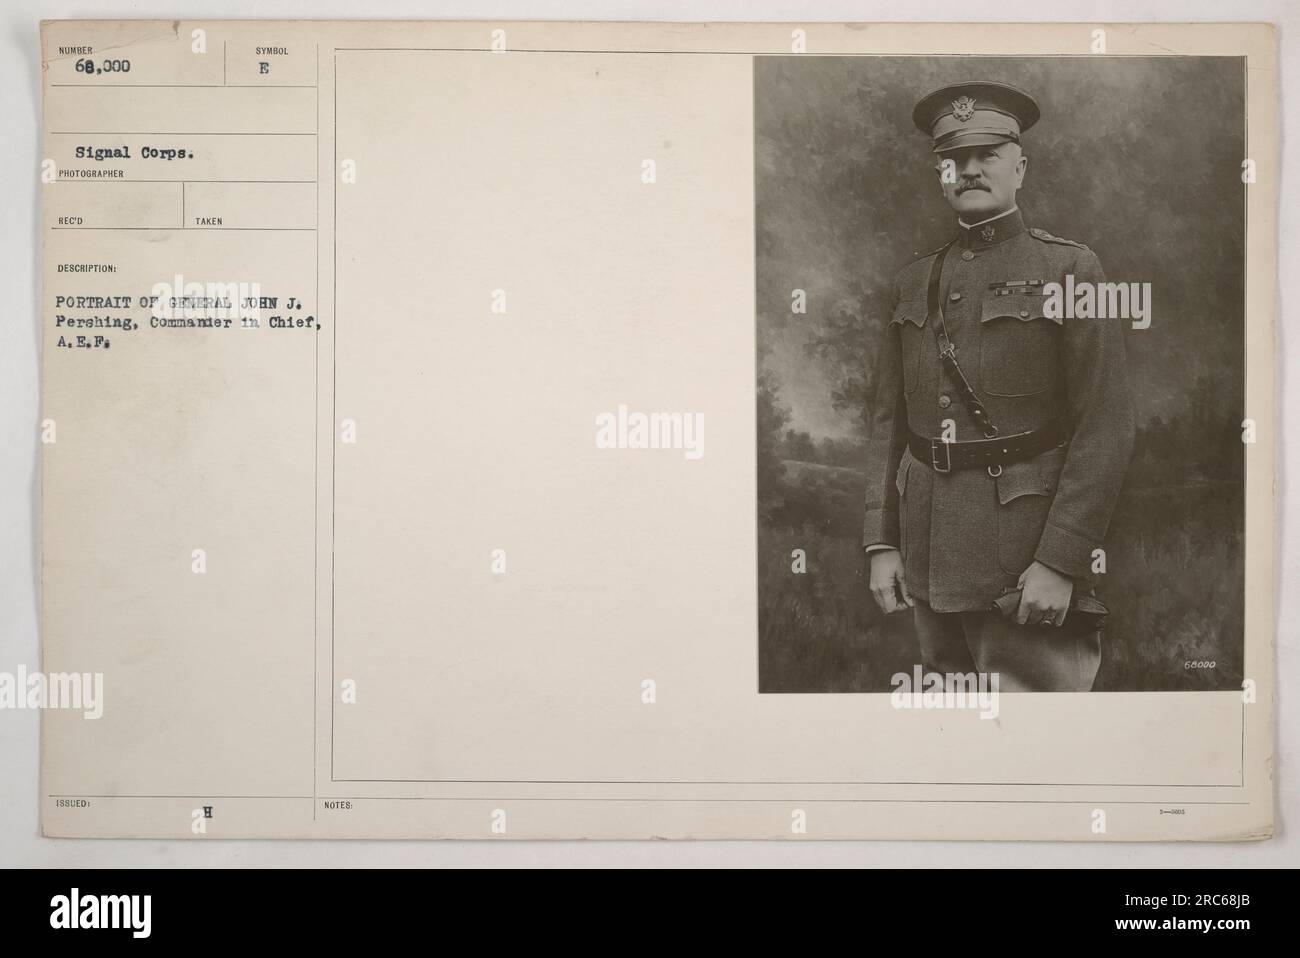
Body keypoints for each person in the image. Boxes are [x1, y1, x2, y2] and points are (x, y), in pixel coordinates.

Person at [862, 81, 1135, 692]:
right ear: (941, 173)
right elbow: (889, 425)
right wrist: (882, 542)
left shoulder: (1070, 269)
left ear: (1020, 166)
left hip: (1025, 562)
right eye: (954, 159)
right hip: (928, 559)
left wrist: (1060, 561)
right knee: (955, 746)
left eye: (987, 154)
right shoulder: (913, 282)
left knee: (1037, 746)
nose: (969, 169)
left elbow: (1106, 427)